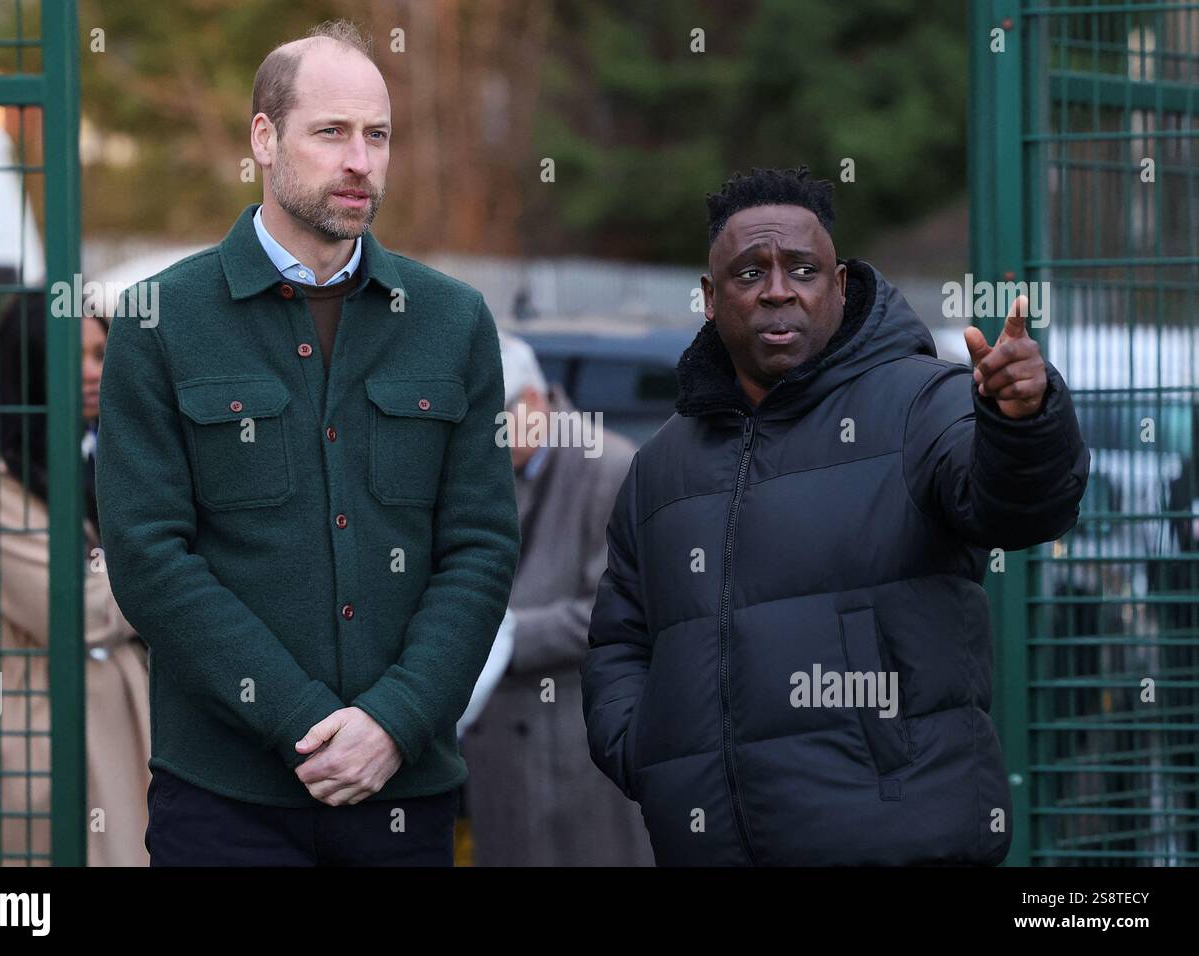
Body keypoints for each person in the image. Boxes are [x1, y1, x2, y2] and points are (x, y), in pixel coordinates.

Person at [95, 19, 520, 866]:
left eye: (378, 135)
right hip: (225, 800)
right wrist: (301, 722)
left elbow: (479, 548)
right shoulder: (160, 322)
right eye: (331, 132)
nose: (360, 159)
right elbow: (148, 556)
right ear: (264, 137)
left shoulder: (454, 322)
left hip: (402, 796)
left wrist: (394, 721)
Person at [582, 166, 1090, 866]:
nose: (779, 290)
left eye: (802, 269)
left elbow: (1023, 509)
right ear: (709, 298)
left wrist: (1023, 422)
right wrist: (645, 748)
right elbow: (620, 639)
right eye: (749, 272)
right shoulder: (662, 464)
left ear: (841, 286)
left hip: (900, 846)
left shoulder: (921, 404)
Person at [0, 294, 151, 866]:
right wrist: (170, 569)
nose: (93, 370)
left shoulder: (108, 451)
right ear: (27, 362)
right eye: (71, 355)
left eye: (100, 352)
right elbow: (75, 611)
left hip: (114, 713)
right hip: (31, 722)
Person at [460, 334, 653, 866]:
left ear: (536, 401)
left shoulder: (610, 466)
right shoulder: (475, 472)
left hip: (578, 741)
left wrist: (504, 635)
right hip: (498, 745)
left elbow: (624, 609)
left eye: (497, 418)